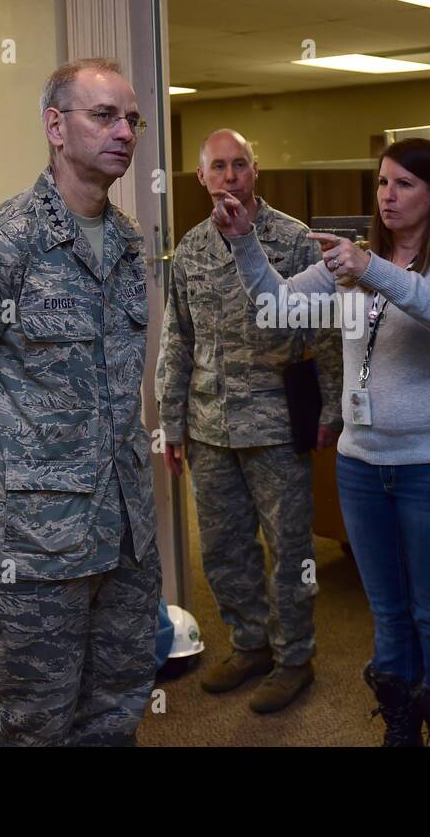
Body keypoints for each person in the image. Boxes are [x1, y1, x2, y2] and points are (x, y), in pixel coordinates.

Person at [0, 58, 160, 746]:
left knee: (115, 709)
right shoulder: (3, 244)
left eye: (131, 118)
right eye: (103, 115)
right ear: (55, 125)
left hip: (125, 534)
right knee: (35, 725)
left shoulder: (131, 244)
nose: (124, 132)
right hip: (34, 548)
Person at [213, 138, 430, 746]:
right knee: (387, 613)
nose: (389, 195)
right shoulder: (349, 262)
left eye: (405, 185)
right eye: (383, 183)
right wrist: (243, 242)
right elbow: (274, 306)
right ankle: (398, 722)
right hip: (364, 465)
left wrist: (371, 270)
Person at [155, 129, 342, 713]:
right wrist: (172, 419)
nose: (230, 176)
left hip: (276, 421)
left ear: (255, 171)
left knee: (289, 548)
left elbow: (328, 332)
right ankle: (249, 644)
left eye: (240, 165)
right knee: (224, 547)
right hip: (210, 424)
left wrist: (335, 406)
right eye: (219, 167)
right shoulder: (189, 249)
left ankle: (294, 658)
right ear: (203, 176)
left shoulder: (293, 240)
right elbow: (177, 339)